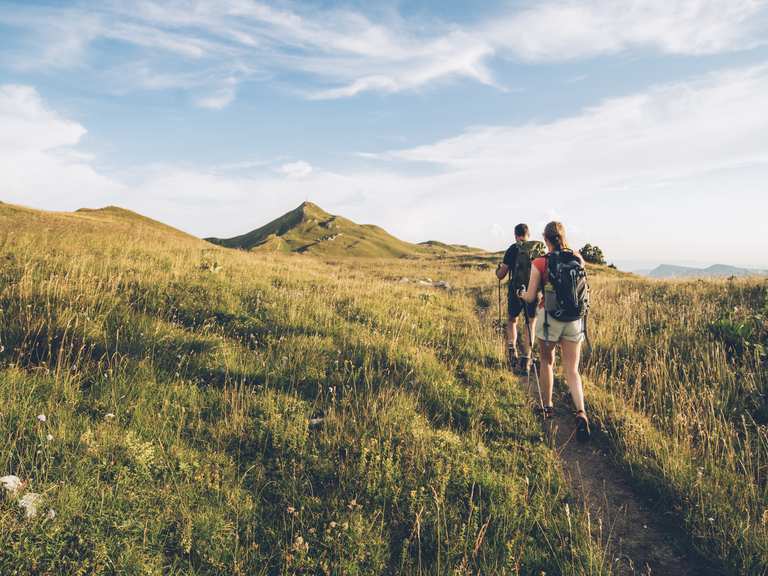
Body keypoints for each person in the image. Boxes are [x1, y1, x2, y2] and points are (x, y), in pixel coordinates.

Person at [517, 221, 590, 441]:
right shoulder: (578, 259)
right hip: (574, 320)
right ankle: (581, 411)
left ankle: (547, 407)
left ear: (546, 239)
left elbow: (530, 297)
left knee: (547, 362)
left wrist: (522, 295)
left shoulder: (540, 262)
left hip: (549, 319)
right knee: (572, 370)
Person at [495, 223, 541, 374]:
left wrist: (498, 270)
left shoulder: (513, 249)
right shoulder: (537, 250)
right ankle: (526, 360)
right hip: (533, 292)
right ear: (529, 234)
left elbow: (502, 274)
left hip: (515, 291)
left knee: (512, 319)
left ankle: (511, 350)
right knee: (531, 324)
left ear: (515, 235)